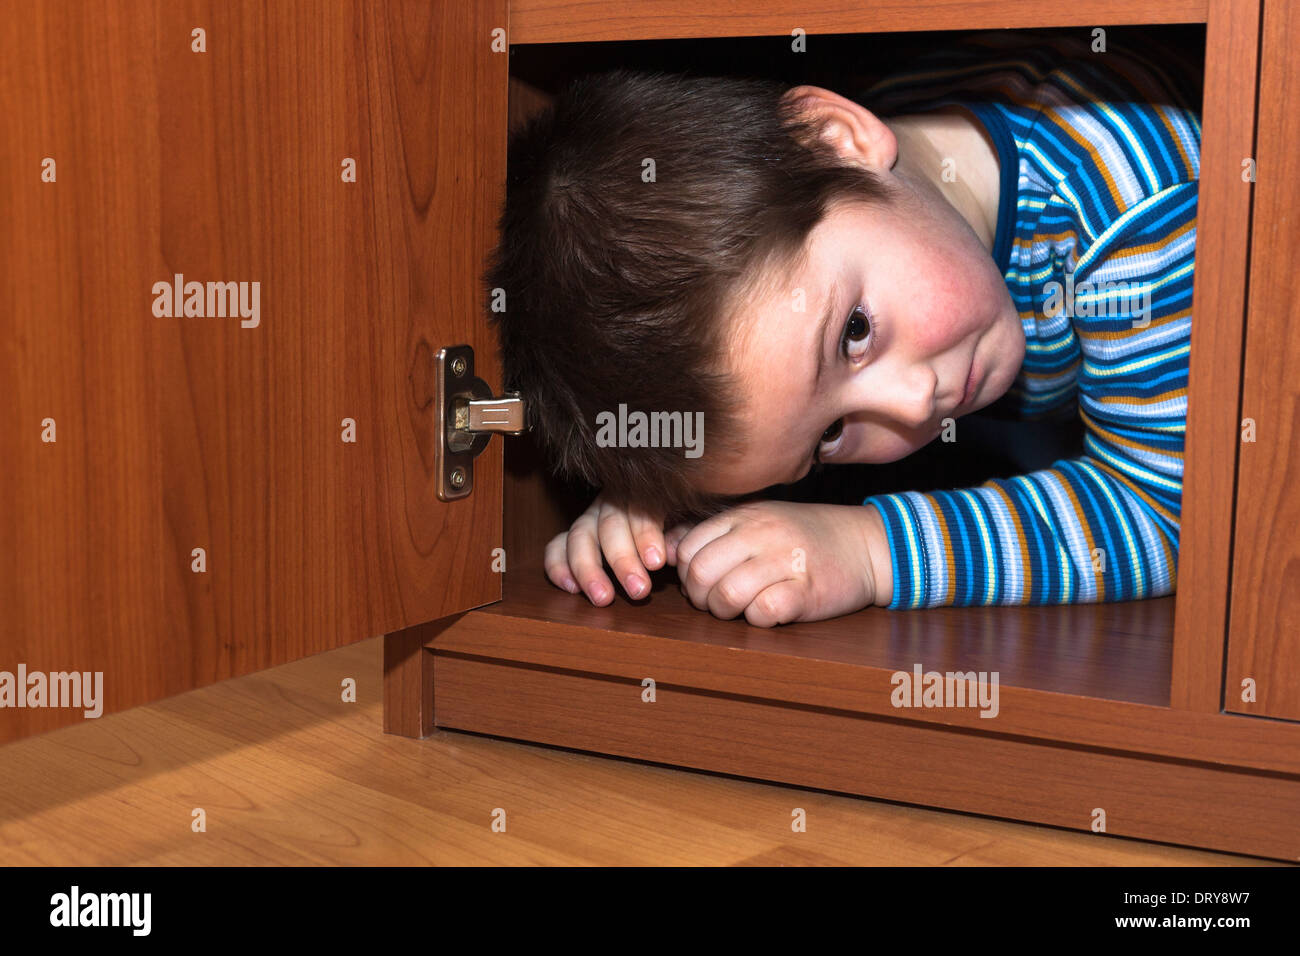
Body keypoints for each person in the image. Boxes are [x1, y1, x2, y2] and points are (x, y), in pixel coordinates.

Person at [484, 31, 1198, 625]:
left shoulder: (1140, 209)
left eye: (855, 332)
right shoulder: (860, 199)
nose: (914, 405)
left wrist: (871, 551)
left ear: (837, 136)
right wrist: (664, 497)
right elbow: (771, 384)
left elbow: (1170, 513)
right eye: (830, 439)